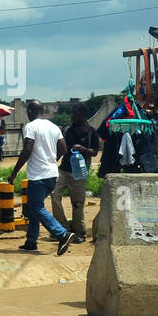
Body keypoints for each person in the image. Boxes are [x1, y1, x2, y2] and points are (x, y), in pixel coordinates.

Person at [8, 99, 71, 256]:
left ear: (29, 111)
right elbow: (63, 148)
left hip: (38, 176)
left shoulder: (30, 127)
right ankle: (31, 242)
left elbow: (27, 148)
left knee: (36, 208)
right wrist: (51, 161)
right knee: (34, 207)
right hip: (52, 174)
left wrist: (14, 172)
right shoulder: (53, 126)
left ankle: (62, 234)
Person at [52, 103, 99, 243]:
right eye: (72, 113)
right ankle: (63, 228)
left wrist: (83, 148)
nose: (72, 116)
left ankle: (79, 232)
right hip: (63, 169)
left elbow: (95, 152)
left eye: (75, 113)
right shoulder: (67, 129)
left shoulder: (91, 132)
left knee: (77, 203)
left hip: (79, 172)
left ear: (83, 115)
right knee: (54, 196)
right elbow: (61, 147)